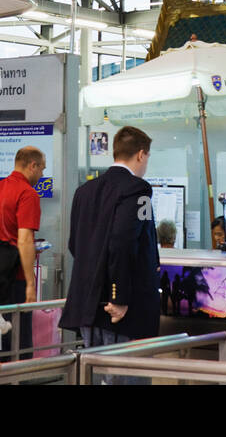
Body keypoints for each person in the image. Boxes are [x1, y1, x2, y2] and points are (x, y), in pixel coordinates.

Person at [60, 126, 160, 346]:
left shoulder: (84, 191)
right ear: (141, 154)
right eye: (147, 157)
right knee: (126, 377)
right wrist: (119, 296)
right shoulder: (138, 190)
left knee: (92, 373)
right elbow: (123, 243)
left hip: (88, 305)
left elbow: (75, 244)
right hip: (122, 311)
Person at [0, 145, 45, 358]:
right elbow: (25, 240)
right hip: (13, 280)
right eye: (42, 169)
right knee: (17, 347)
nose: (42, 174)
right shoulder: (28, 194)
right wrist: (30, 285)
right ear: (32, 166)